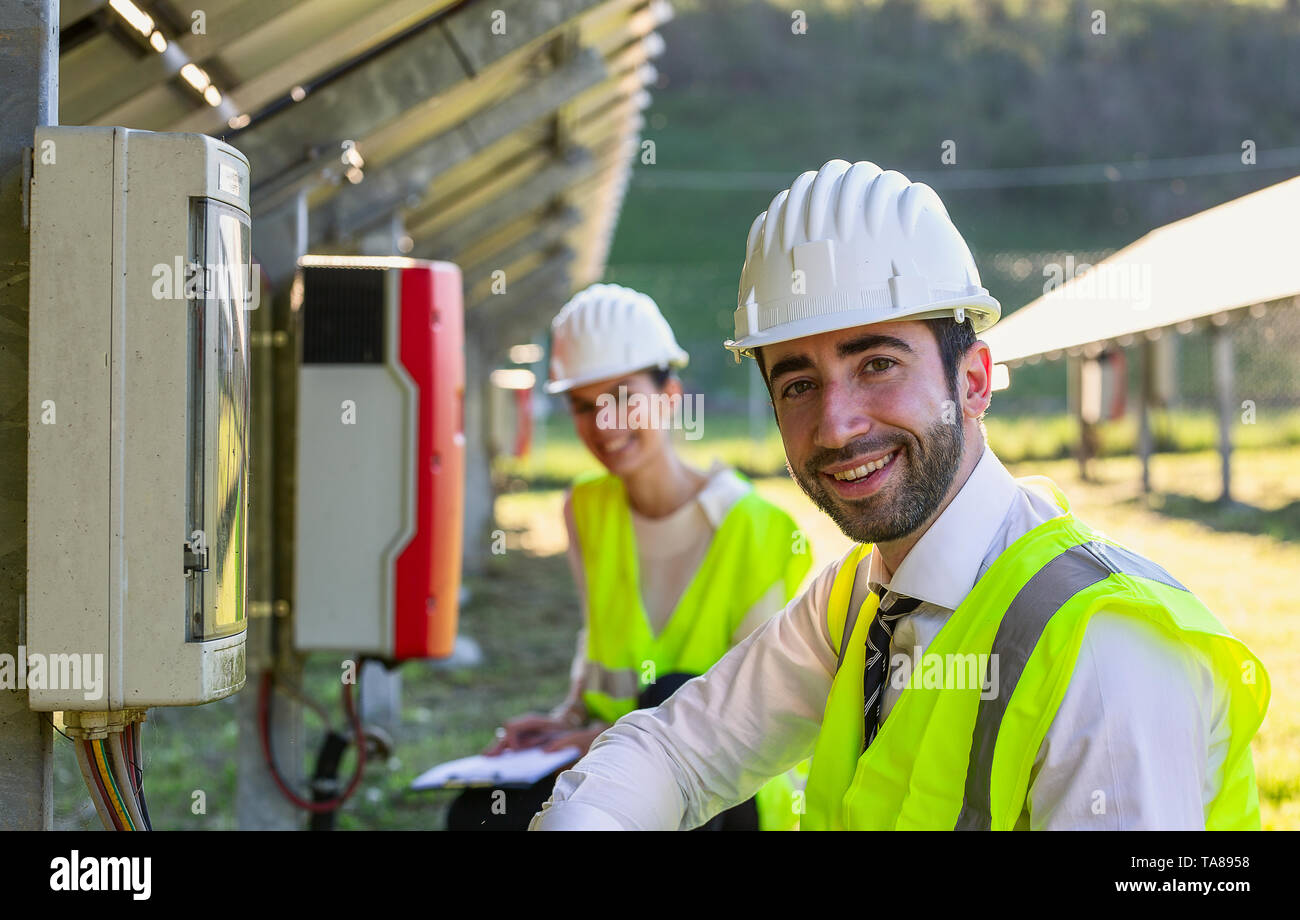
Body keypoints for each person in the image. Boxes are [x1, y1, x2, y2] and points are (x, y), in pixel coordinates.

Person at [529, 160, 1270, 831]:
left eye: (878, 363)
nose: (836, 425)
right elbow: (679, 748)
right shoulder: (859, 604)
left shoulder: (1102, 647)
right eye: (798, 385)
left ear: (974, 381)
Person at [447, 283, 812, 831]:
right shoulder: (587, 508)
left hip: (729, 787)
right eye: (583, 405)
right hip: (614, 761)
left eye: (622, 397)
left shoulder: (761, 528)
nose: (604, 423)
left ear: (670, 395)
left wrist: (596, 741)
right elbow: (597, 648)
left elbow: (742, 722)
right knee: (476, 817)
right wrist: (560, 724)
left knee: (670, 694)